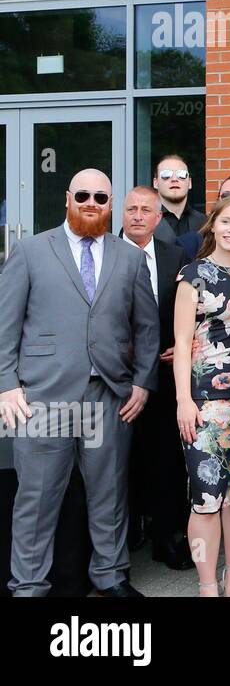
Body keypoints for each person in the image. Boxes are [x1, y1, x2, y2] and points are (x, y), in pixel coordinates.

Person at [0, 169, 160, 596]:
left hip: (108, 393)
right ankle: (29, 586)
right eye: (84, 195)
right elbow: (5, 324)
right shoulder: (31, 250)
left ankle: (111, 576)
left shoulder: (128, 257)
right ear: (68, 199)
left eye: (102, 197)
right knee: (36, 499)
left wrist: (143, 383)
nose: (92, 202)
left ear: (110, 205)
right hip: (43, 397)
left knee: (109, 494)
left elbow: (147, 328)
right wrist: (6, 385)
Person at [173, 195, 230, 596]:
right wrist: (183, 401)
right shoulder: (193, 276)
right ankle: (207, 584)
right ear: (213, 226)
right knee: (207, 496)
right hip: (203, 403)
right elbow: (181, 341)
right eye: (226, 221)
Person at [121, 186, 191, 571]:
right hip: (116, 379)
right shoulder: (103, 254)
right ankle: (126, 534)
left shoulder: (175, 256)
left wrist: (180, 346)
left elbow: (188, 312)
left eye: (145, 209)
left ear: (158, 217)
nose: (137, 215)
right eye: (130, 209)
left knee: (166, 461)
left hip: (164, 378)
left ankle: (167, 537)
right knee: (122, 460)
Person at [153, 154, 206, 244]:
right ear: (156, 183)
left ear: (189, 183)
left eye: (181, 175)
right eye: (166, 175)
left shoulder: (204, 223)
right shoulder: (145, 222)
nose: (174, 179)